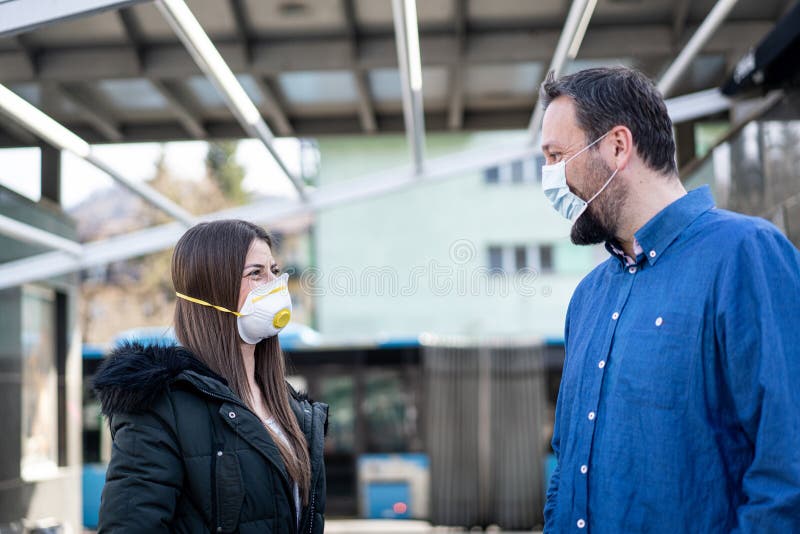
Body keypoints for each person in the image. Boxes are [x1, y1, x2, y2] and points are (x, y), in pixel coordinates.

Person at [539, 67, 800, 532]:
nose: (550, 179)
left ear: (618, 146)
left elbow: (788, 466)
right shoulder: (588, 298)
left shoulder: (745, 255)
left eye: (558, 156)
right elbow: (568, 463)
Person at [93, 219, 328, 533]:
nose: (274, 284)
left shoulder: (291, 409)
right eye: (255, 273)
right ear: (212, 290)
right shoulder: (161, 409)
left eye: (274, 270)